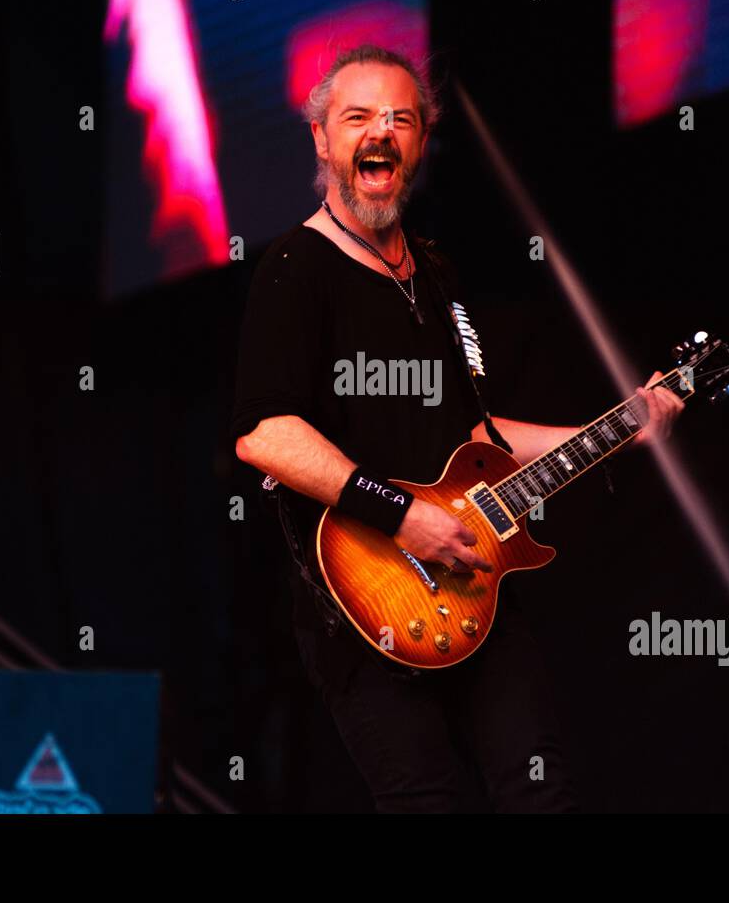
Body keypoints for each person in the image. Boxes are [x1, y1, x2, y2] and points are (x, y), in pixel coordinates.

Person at [231, 45, 684, 811]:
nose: (381, 134)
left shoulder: (434, 274)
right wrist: (404, 517)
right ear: (321, 139)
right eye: (358, 118)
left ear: (420, 143)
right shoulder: (293, 268)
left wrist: (621, 427)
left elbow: (478, 431)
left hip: (475, 587)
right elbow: (265, 435)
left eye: (401, 119)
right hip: (365, 601)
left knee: (543, 796)